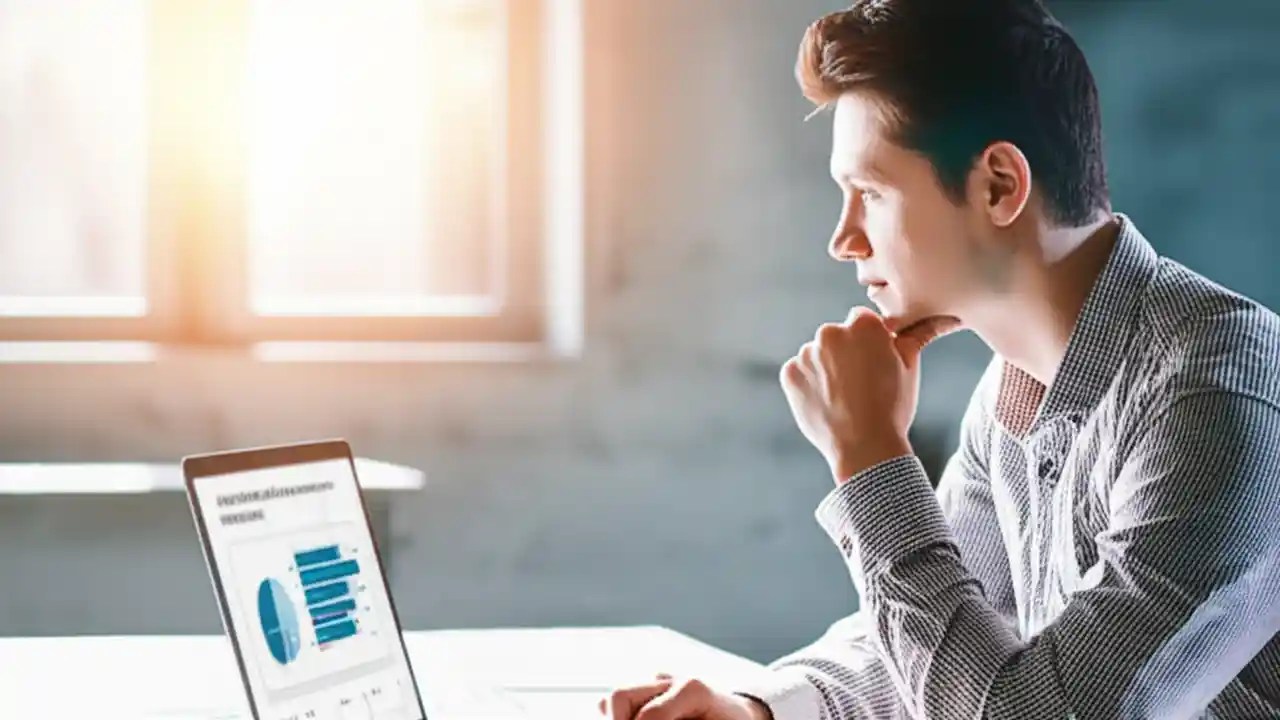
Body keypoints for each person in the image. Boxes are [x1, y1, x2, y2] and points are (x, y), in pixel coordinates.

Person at [600, 1, 1280, 718]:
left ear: (998, 187)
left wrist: (870, 462)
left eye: (868, 193)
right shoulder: (1013, 393)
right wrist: (762, 710)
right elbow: (947, 650)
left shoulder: (1217, 394)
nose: (843, 239)